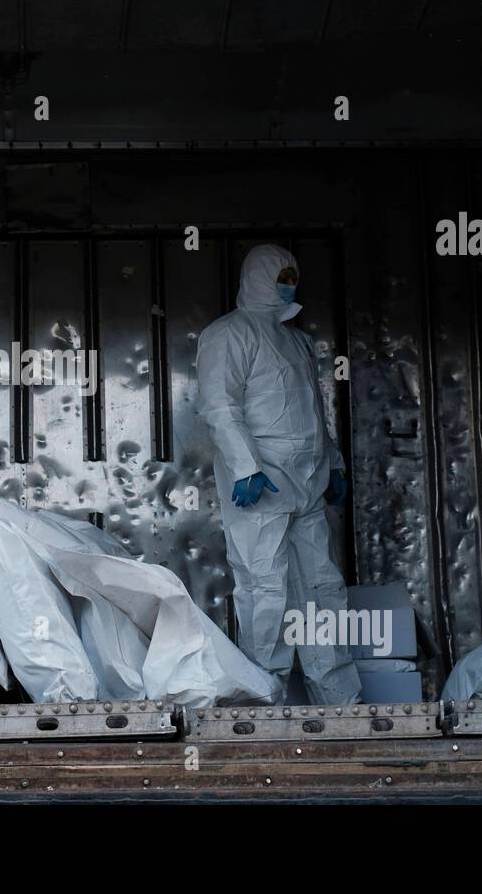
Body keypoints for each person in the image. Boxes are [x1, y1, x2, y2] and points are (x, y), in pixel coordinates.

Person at [195, 243, 361, 705]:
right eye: (280, 277)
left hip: (307, 482)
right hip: (262, 482)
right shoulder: (229, 334)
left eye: (293, 276)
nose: (288, 286)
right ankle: (263, 699)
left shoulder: (297, 339)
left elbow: (314, 411)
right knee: (264, 588)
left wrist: (334, 466)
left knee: (323, 589)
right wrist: (245, 467)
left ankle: (339, 699)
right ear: (259, 277)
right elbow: (220, 406)